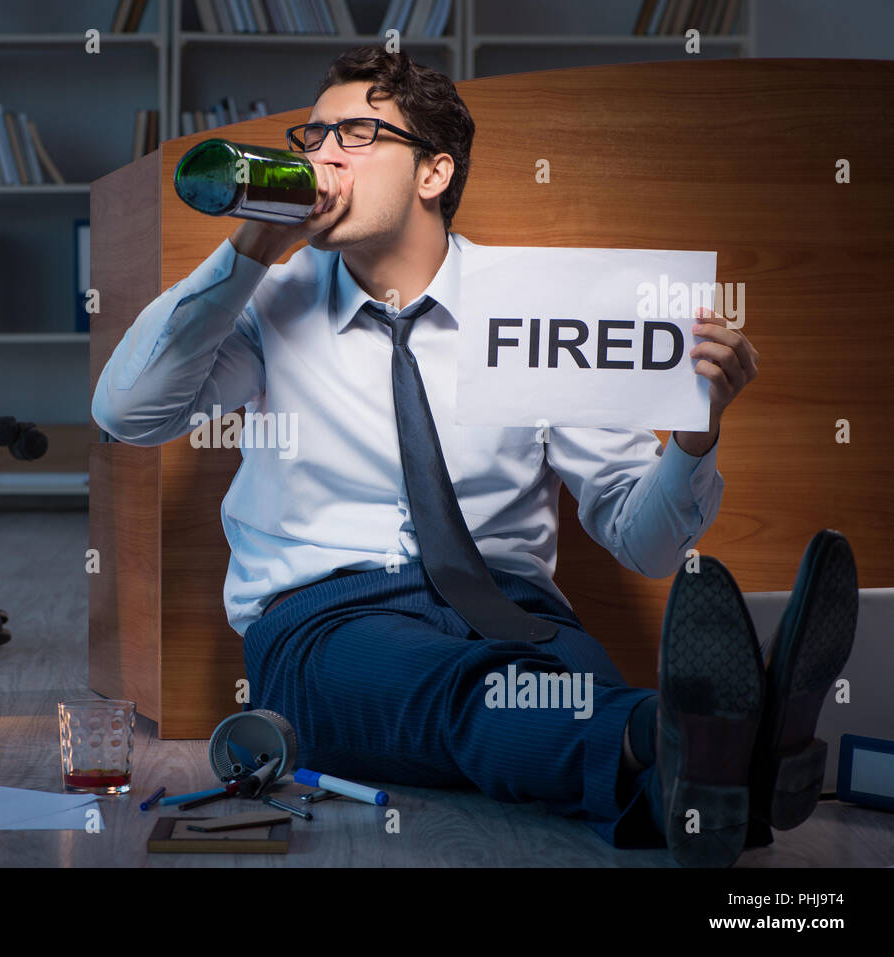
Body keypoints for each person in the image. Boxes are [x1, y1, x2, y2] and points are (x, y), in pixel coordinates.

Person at [92, 47, 854, 867]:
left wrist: (696, 435)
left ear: (433, 171)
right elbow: (126, 412)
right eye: (312, 136)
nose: (321, 156)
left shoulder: (541, 310)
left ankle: (704, 774)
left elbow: (649, 542)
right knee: (470, 697)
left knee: (558, 690)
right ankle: (702, 733)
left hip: (513, 610)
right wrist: (250, 245)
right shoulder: (269, 301)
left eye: (355, 133)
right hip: (328, 625)